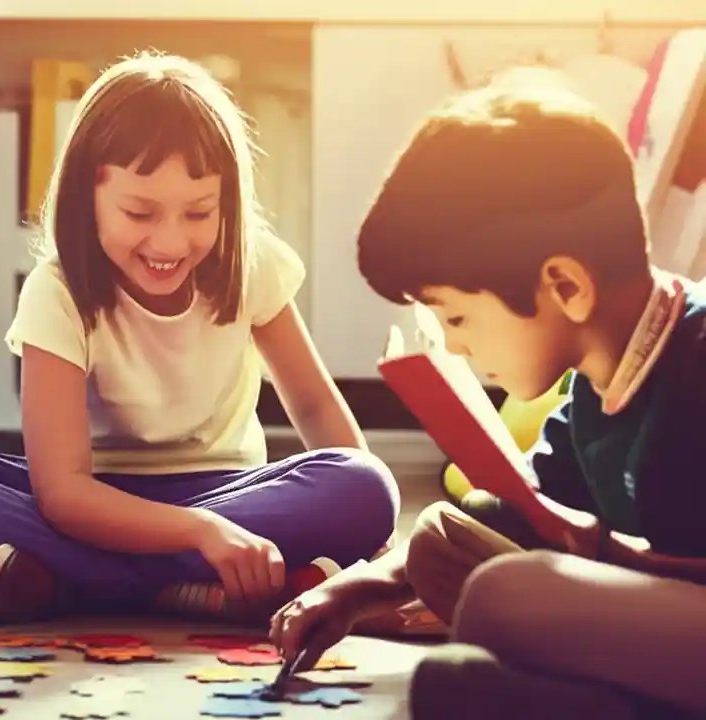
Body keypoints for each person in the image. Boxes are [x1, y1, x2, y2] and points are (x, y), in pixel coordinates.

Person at [0, 52, 400, 625]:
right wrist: (199, 532)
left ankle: (80, 584)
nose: (170, 242)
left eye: (199, 212)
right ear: (89, 199)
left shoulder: (250, 267)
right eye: (140, 212)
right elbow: (62, 493)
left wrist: (372, 536)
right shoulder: (57, 292)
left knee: (362, 483)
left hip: (230, 494)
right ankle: (174, 588)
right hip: (93, 502)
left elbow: (312, 403)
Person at [269, 68, 706, 717]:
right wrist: (364, 588)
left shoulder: (694, 362)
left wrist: (595, 551)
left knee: (509, 595)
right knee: (443, 539)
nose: (458, 347)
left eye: (456, 319)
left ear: (565, 286)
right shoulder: (594, 389)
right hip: (656, 623)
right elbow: (523, 512)